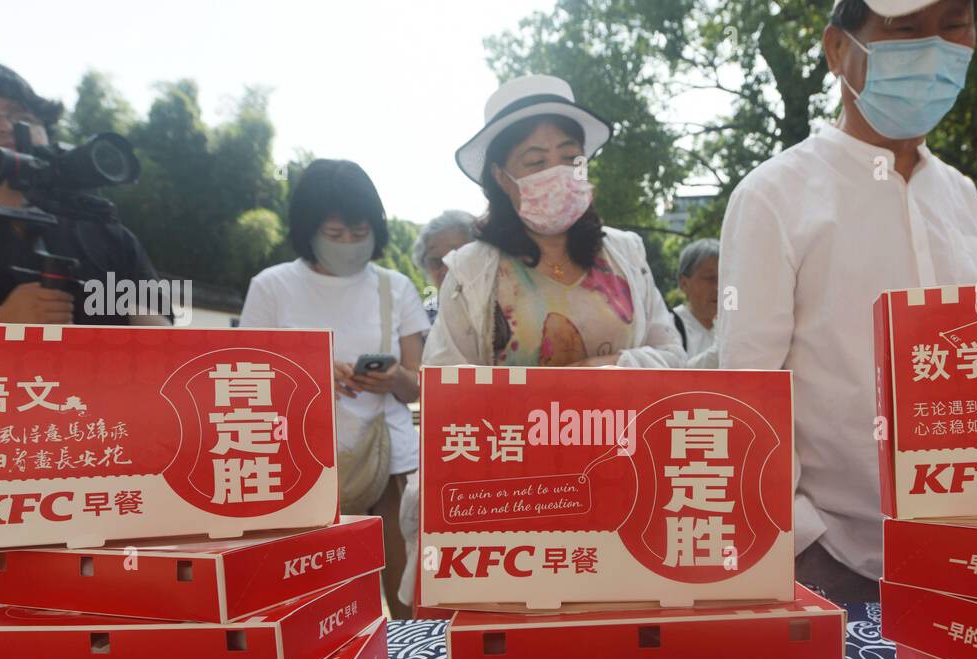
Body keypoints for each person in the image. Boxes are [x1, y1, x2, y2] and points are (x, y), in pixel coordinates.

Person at [719, 0, 977, 609]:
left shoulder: (962, 197)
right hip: (835, 561)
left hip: (973, 554)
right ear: (838, 49)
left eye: (954, 25)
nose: (935, 49)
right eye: (904, 30)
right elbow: (746, 391)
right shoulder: (774, 196)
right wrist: (802, 540)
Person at [0, 58, 166, 575]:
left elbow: (162, 345)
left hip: (97, 503)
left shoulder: (103, 232)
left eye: (19, 114)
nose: (3, 126)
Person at [239, 159, 425, 620]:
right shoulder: (272, 287)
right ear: (308, 229)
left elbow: (420, 384)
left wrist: (393, 377)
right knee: (320, 610)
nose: (348, 245)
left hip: (390, 466)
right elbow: (242, 382)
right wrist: (312, 377)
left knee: (408, 602)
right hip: (300, 471)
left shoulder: (395, 287)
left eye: (358, 234)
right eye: (335, 234)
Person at [423, 74, 686, 369]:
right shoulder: (471, 271)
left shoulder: (626, 253)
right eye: (536, 162)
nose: (558, 173)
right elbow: (445, 377)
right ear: (500, 176)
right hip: (514, 418)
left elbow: (672, 356)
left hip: (620, 417)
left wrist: (614, 365)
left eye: (571, 157)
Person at [411, 210, 476, 324]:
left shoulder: (507, 307)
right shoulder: (420, 322)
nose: (446, 270)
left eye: (457, 259)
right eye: (435, 262)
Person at [673, 238, 721, 368]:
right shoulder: (669, 326)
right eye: (710, 278)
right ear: (684, 283)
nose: (718, 287)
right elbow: (674, 375)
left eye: (724, 278)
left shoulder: (733, 326)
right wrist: (722, 348)